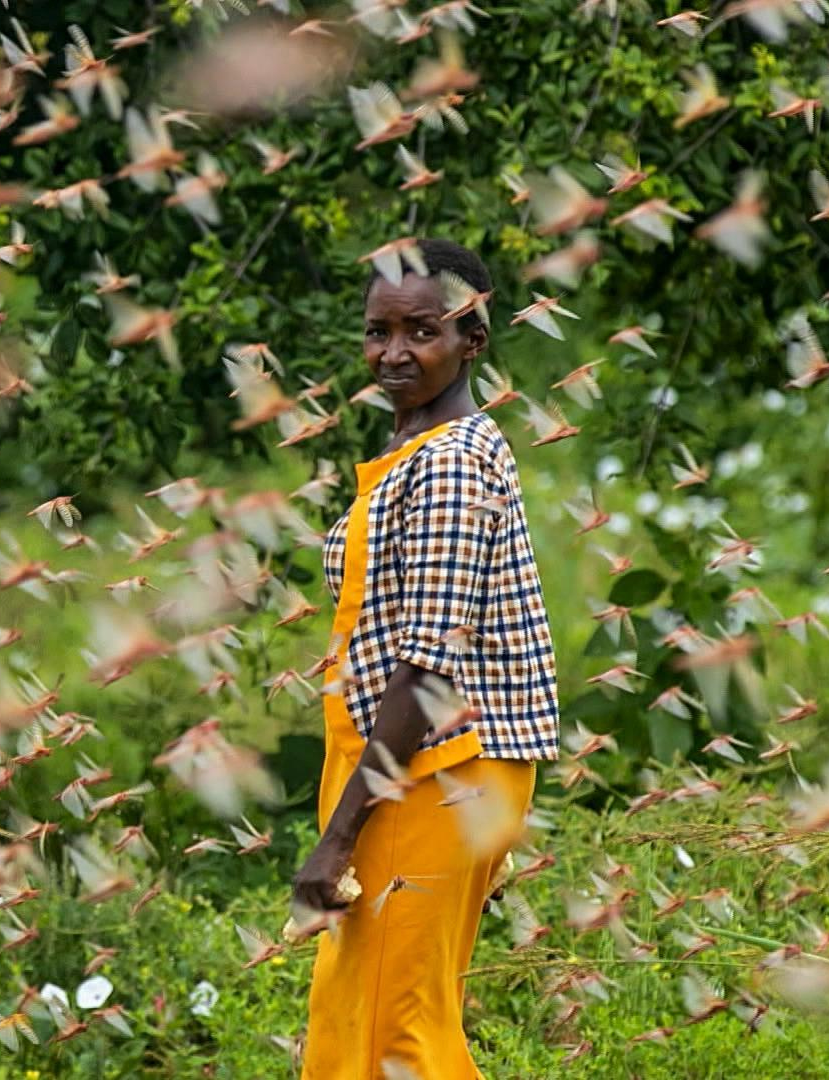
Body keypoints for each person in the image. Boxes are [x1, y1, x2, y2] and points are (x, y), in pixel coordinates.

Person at [292, 238, 561, 1080]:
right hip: (422, 772)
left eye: (422, 331)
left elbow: (431, 667)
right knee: (367, 1016)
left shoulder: (448, 465)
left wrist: (337, 842)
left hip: (431, 771)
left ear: (473, 339)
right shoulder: (423, 455)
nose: (394, 354)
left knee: (396, 1039)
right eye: (379, 332)